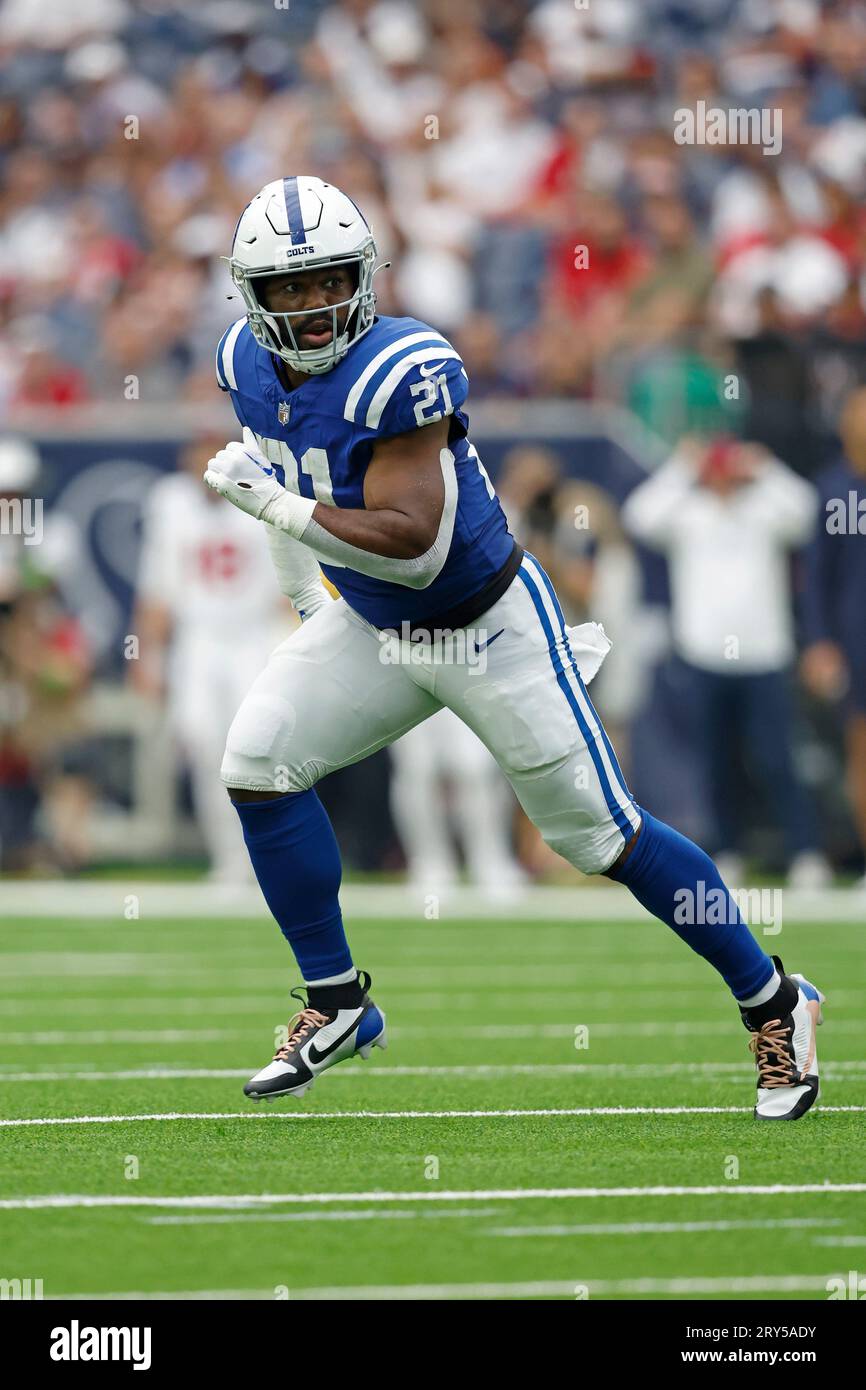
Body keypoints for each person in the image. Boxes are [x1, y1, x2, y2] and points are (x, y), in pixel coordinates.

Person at [204, 176, 826, 1120]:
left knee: (602, 838)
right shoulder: (246, 363)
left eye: (326, 279)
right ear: (251, 295)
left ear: (363, 276)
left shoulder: (401, 367)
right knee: (256, 760)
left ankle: (775, 1000)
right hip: (374, 624)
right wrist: (297, 583)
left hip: (485, 623)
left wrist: (279, 507)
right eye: (287, 288)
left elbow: (415, 547)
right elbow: (282, 460)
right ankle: (336, 1003)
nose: (310, 304)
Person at [622, 434, 830, 889]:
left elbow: (807, 511)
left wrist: (764, 467)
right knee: (718, 763)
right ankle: (727, 851)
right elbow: (638, 514)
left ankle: (806, 852)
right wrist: (682, 467)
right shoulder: (688, 515)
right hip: (704, 657)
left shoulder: (765, 511)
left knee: (777, 760)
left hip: (764, 656)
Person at [132, 432, 289, 885]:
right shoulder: (171, 503)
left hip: (256, 635)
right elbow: (158, 589)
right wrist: (147, 657)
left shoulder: (263, 493)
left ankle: (271, 857)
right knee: (204, 749)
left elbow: (289, 585)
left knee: (260, 750)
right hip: (199, 640)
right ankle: (230, 859)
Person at [801, 387, 866, 890]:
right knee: (860, 750)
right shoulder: (834, 490)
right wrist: (820, 641)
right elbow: (815, 577)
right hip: (855, 638)